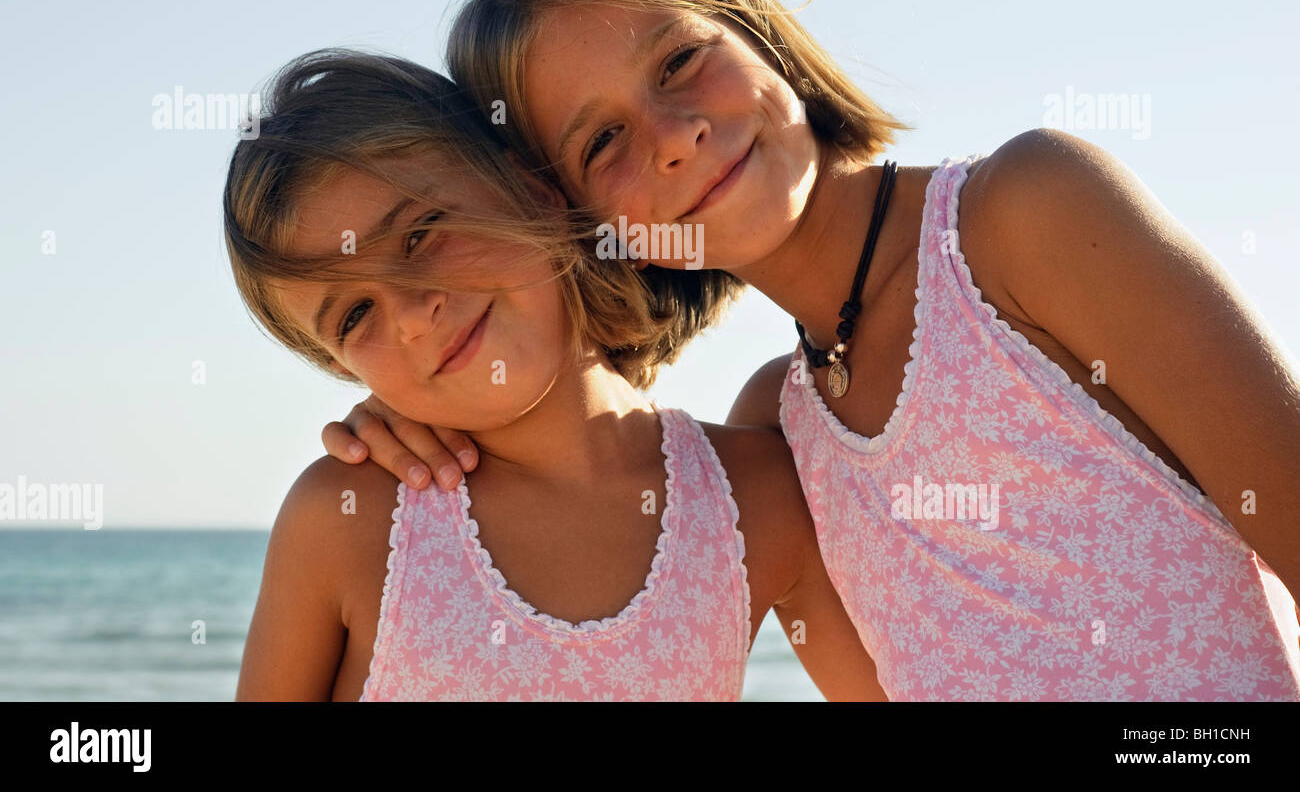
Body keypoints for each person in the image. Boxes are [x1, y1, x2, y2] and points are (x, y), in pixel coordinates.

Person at [323, 0, 1300, 700]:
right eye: (602, 142)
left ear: (750, 24)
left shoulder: (1025, 218)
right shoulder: (778, 439)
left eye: (676, 63)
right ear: (583, 225)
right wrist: (420, 410)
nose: (674, 137)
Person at [228, 49, 883, 701]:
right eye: (355, 315)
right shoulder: (347, 519)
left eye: (423, 232)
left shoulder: (755, 496)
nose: (410, 316)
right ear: (340, 365)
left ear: (532, 191)